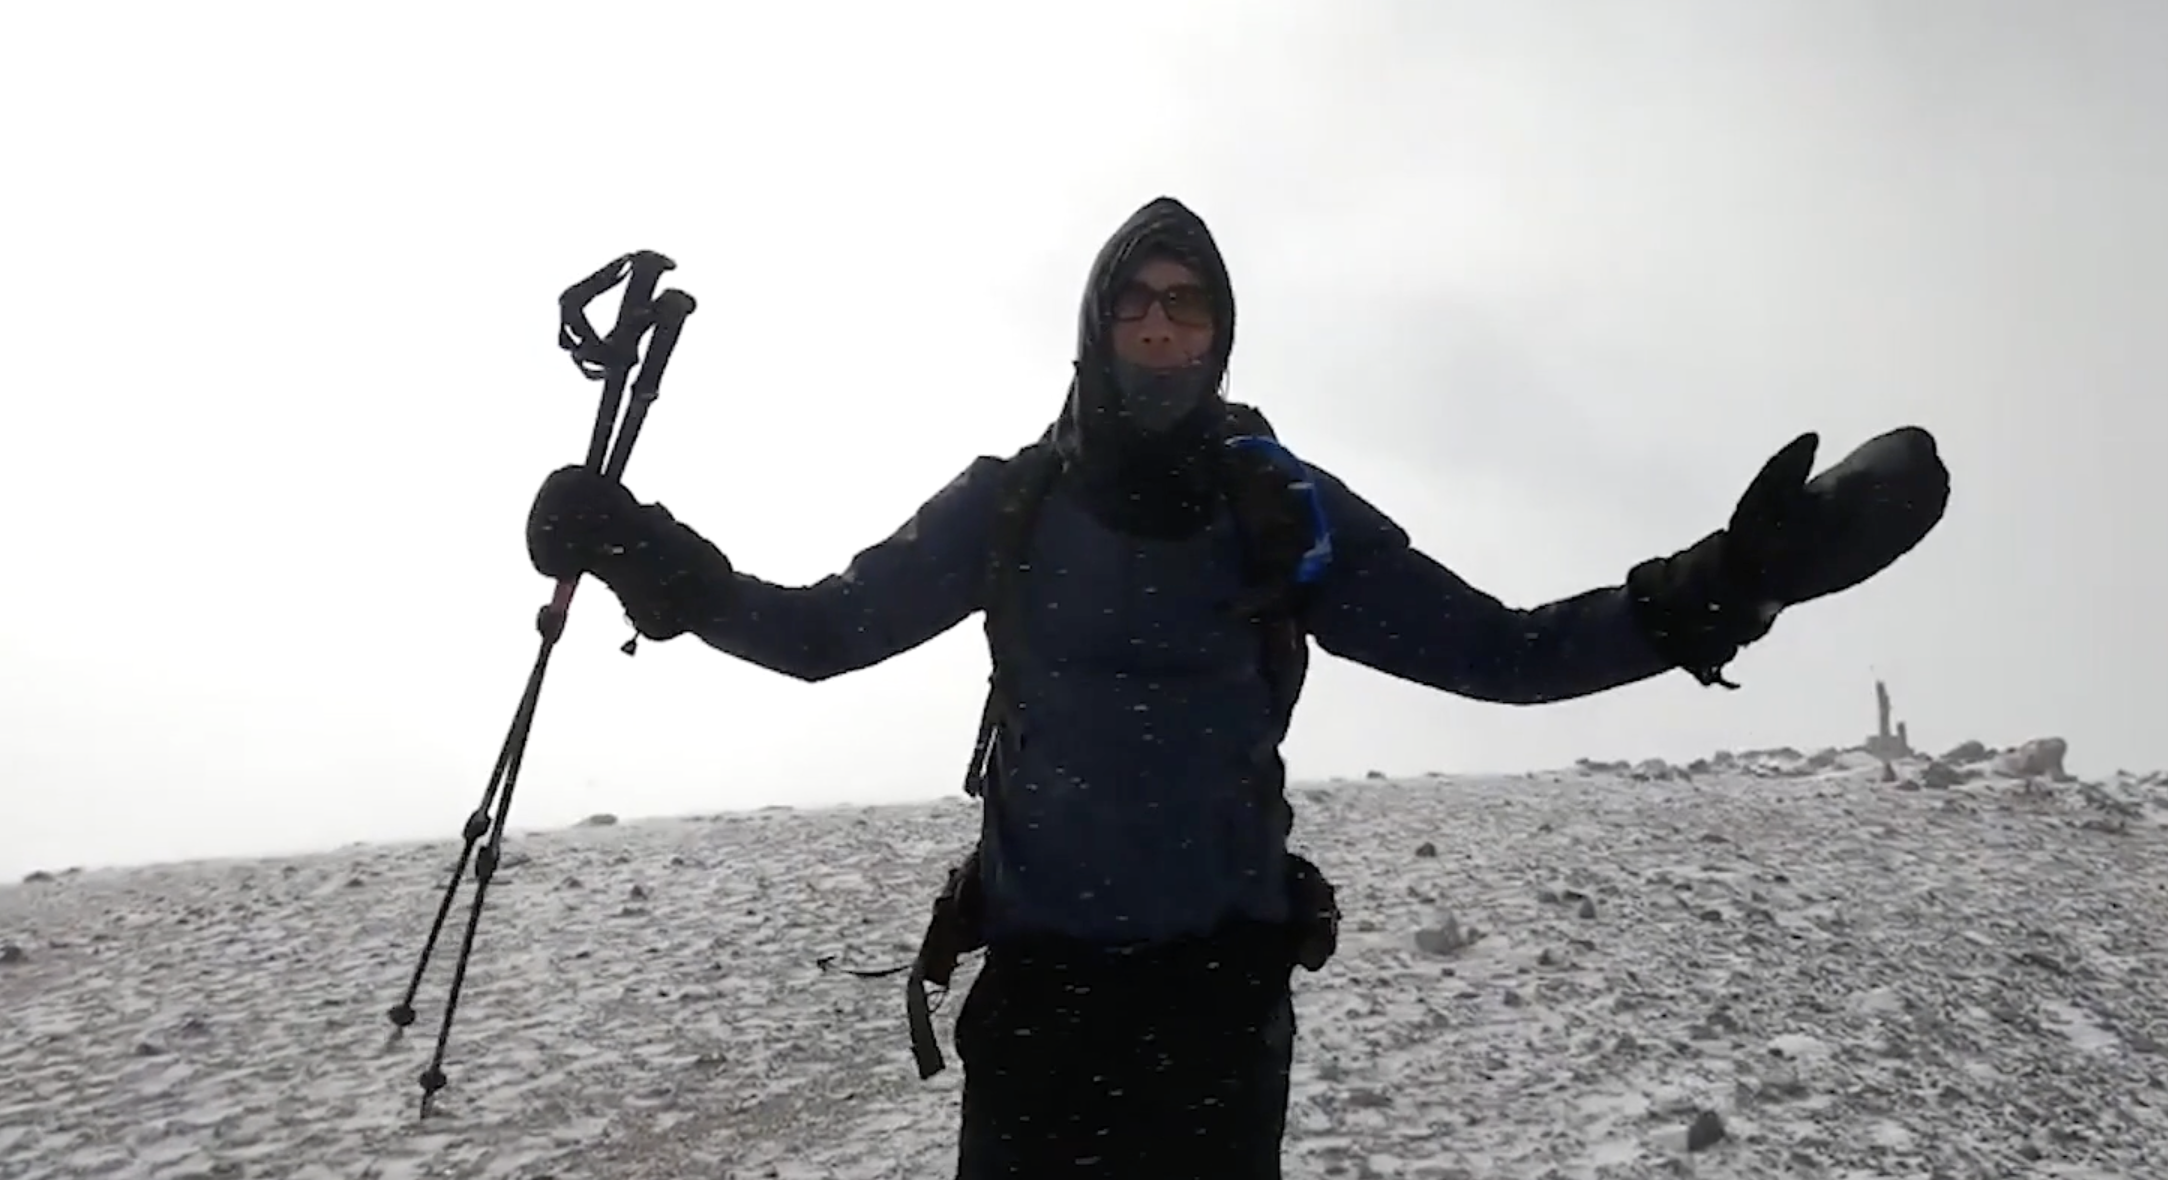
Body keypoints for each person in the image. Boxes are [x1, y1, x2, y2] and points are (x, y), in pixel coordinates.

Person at [524, 196, 1948, 1179]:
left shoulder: (1285, 511)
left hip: (1214, 1005)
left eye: (1187, 303)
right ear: (1099, 323)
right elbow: (827, 630)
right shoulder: (1011, 503)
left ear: (1218, 334)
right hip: (1040, 999)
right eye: (1136, 300)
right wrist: (652, 555)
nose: (1160, 322)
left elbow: (1502, 656)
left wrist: (1717, 587)